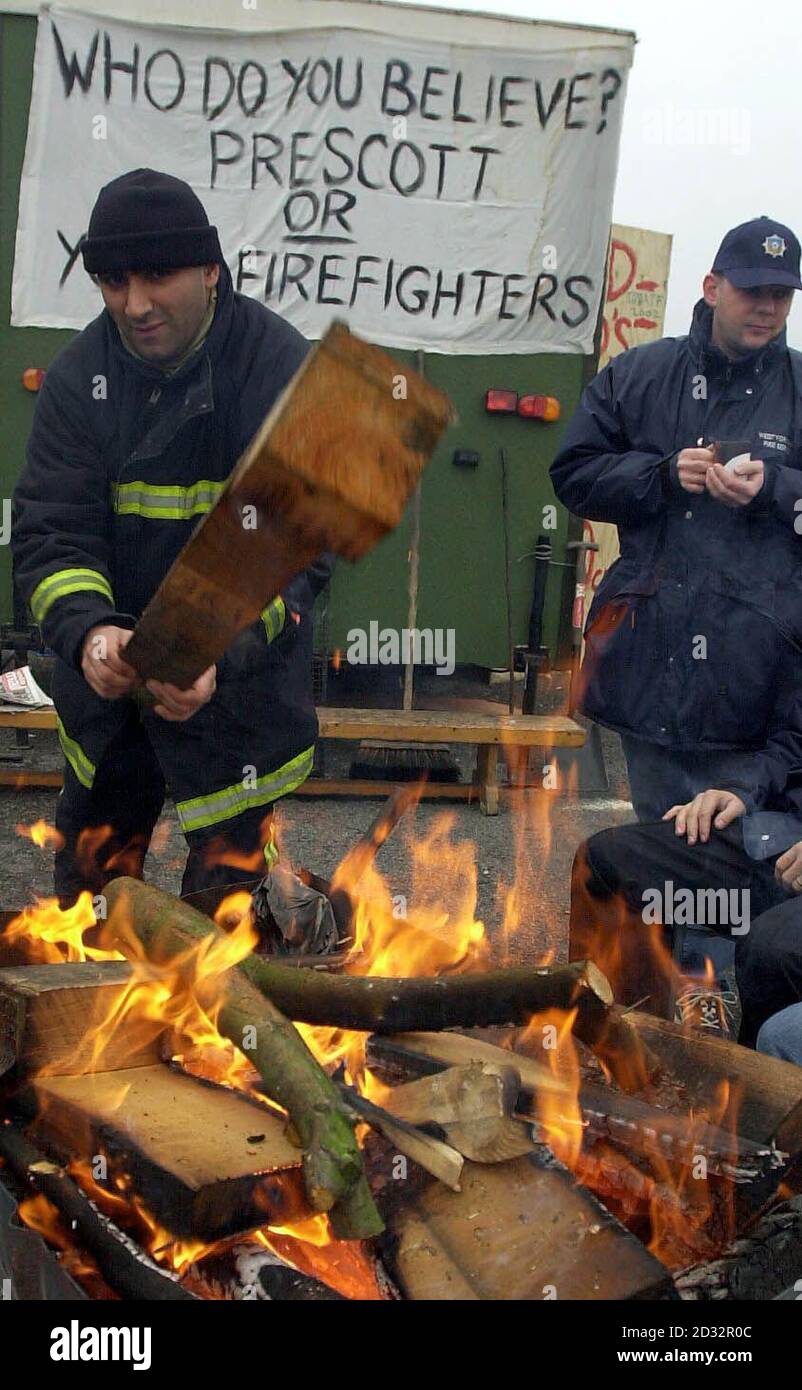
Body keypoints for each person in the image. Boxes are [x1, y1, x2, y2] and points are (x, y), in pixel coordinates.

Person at [12, 169, 331, 906]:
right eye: (113, 281)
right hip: (110, 711)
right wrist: (91, 636)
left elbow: (300, 558)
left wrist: (215, 648)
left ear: (212, 267)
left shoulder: (280, 370)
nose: (136, 304)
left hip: (237, 715)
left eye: (159, 275)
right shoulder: (75, 381)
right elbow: (53, 538)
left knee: (229, 938)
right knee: (90, 922)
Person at [551, 216, 802, 822]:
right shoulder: (640, 376)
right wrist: (660, 477)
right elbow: (573, 473)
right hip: (650, 672)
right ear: (713, 287)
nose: (767, 308)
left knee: (745, 869)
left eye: (781, 294)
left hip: (758, 686)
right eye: (752, 291)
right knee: (659, 854)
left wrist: (776, 487)